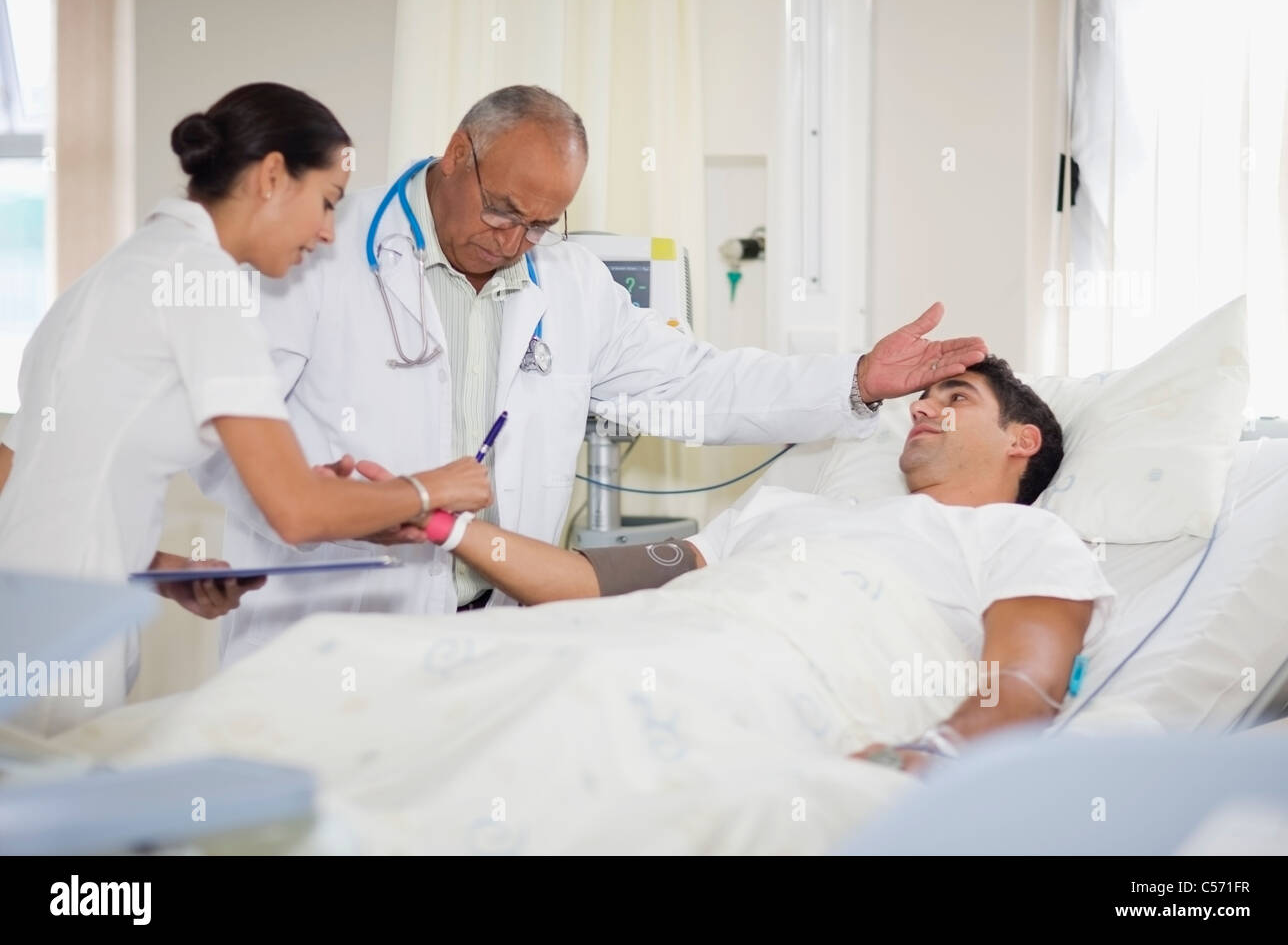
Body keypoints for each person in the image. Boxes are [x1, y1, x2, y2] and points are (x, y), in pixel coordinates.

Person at [197, 83, 988, 663]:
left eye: (543, 223)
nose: (516, 241)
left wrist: (853, 380)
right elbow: (218, 437)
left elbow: (696, 386)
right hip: (330, 628)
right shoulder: (317, 248)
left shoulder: (570, 284)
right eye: (505, 210)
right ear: (458, 155)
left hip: (498, 636)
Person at [0, 83, 491, 733]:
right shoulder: (206, 291)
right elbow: (296, 511)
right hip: (63, 647)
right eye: (326, 202)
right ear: (271, 177)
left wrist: (158, 565)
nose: (324, 233)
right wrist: (432, 487)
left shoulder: (108, 279)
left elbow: (32, 479)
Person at [392, 356, 1115, 773]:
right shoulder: (784, 512)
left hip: (775, 686)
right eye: (922, 396)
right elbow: (586, 582)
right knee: (437, 683)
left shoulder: (1024, 539)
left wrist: (929, 760)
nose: (923, 408)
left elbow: (1023, 684)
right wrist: (445, 525)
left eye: (955, 398)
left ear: (1020, 441)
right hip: (656, 644)